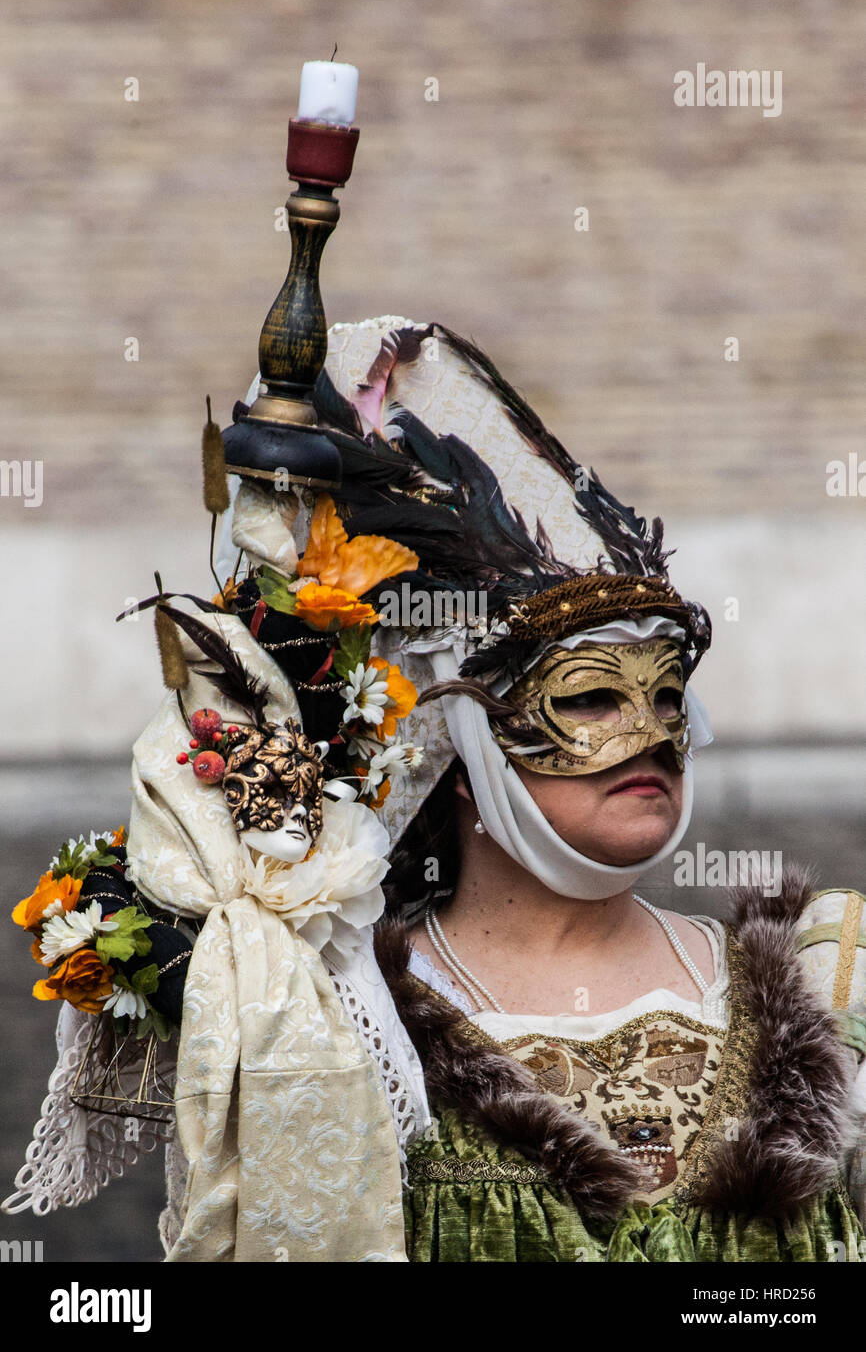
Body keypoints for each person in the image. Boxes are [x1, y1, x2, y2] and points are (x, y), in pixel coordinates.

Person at [6, 316, 865, 1262]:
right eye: (589, 698)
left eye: (671, 697)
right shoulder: (346, 1019)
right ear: (464, 750)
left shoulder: (828, 985)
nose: (654, 734)